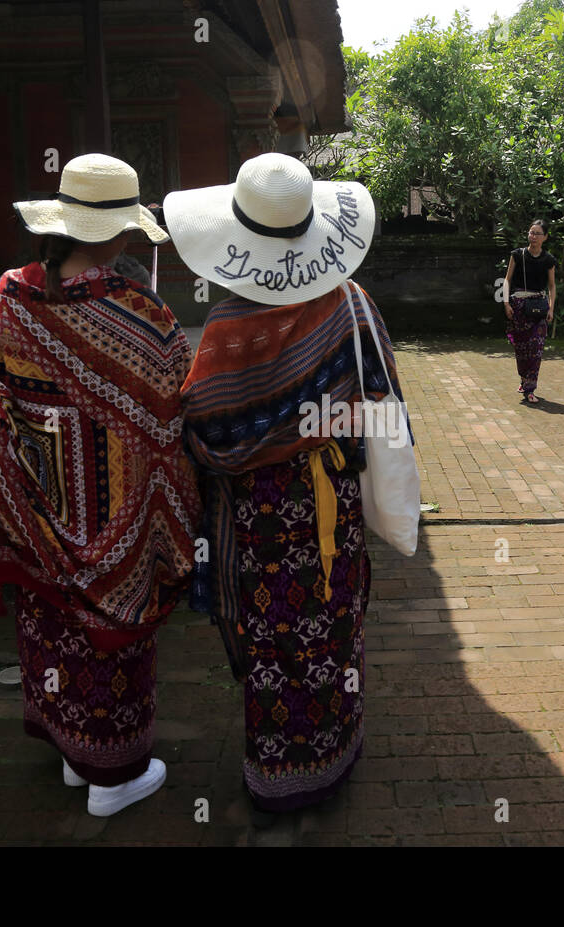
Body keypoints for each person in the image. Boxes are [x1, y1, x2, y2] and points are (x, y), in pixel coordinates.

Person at [0, 153, 202, 817]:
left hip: (37, 512)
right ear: (121, 234)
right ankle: (113, 776)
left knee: (52, 633)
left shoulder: (13, 293)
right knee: (111, 635)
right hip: (118, 525)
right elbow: (172, 414)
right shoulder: (146, 317)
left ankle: (72, 753)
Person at [165, 152, 404, 822]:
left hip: (260, 512)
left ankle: (277, 769)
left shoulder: (225, 333)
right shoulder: (352, 307)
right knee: (332, 621)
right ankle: (334, 747)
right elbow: (382, 401)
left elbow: (206, 431)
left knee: (273, 631)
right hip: (333, 498)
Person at [502, 220, 557, 404]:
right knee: (522, 348)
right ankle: (524, 379)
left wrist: (551, 307)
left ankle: (530, 389)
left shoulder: (548, 259)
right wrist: (506, 302)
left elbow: (552, 285)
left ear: (545, 237)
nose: (533, 236)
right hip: (519, 306)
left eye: (537, 233)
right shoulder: (517, 255)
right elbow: (507, 279)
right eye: (531, 232)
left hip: (539, 308)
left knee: (536, 348)